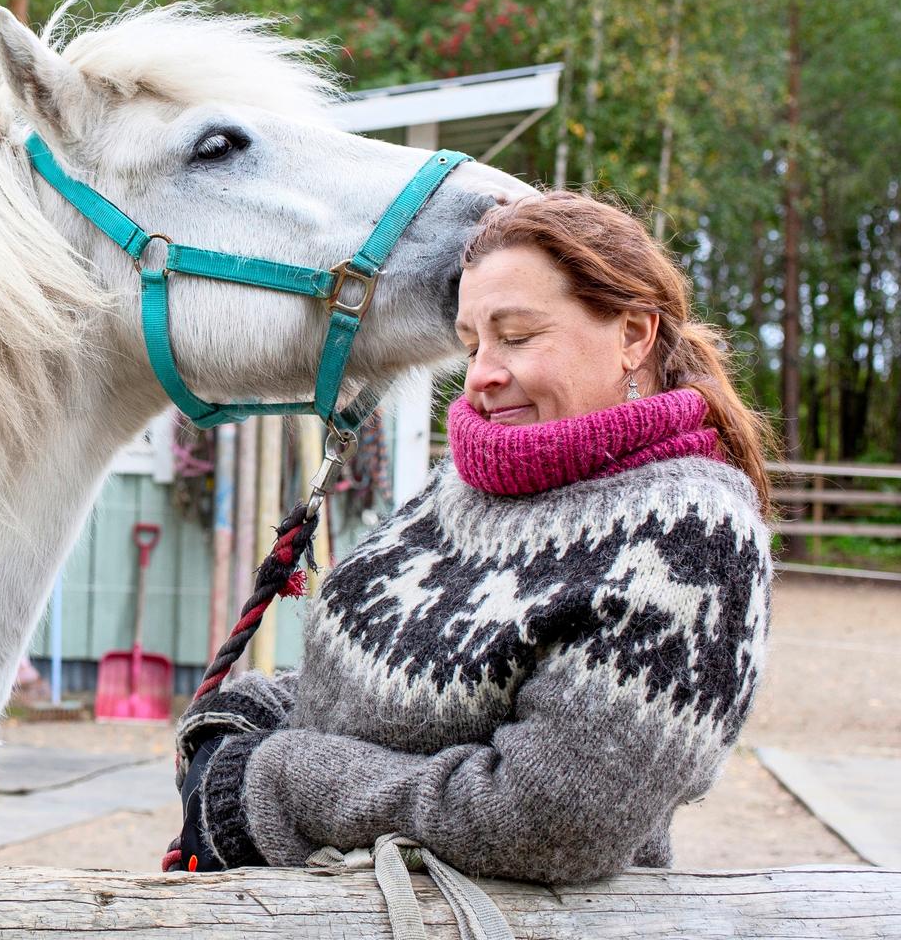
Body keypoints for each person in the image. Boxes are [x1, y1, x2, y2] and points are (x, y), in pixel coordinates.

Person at [171, 191, 775, 883]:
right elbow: (378, 689)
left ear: (634, 335)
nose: (481, 372)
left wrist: (269, 779)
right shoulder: (463, 483)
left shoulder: (691, 539)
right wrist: (245, 714)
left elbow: (547, 823)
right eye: (472, 343)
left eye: (516, 336)